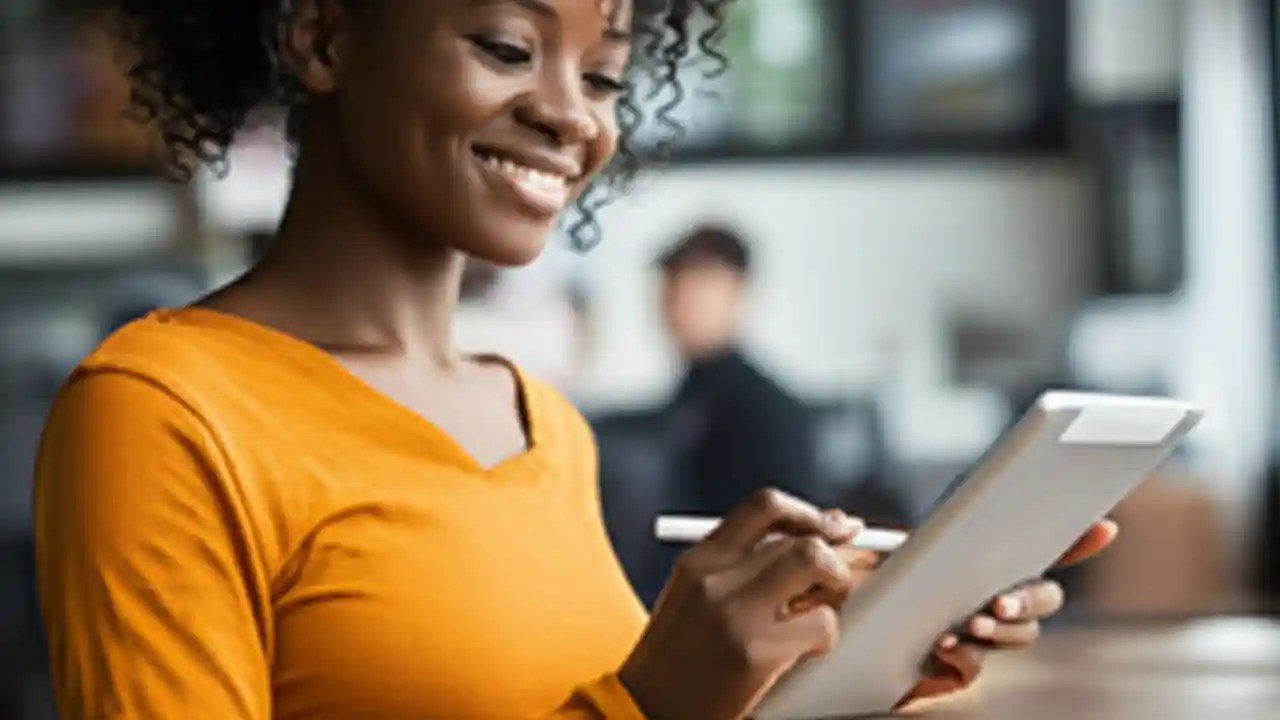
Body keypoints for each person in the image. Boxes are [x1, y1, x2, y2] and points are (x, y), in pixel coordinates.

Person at [32, 2, 1117, 719]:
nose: (568, 116)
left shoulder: (541, 425)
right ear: (323, 37)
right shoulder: (163, 412)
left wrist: (863, 652)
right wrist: (653, 704)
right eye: (508, 48)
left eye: (602, 76)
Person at [658, 224, 820, 515]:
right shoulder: (687, 400)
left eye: (698, 294)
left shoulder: (771, 413)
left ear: (737, 294)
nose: (680, 307)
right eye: (672, 292)